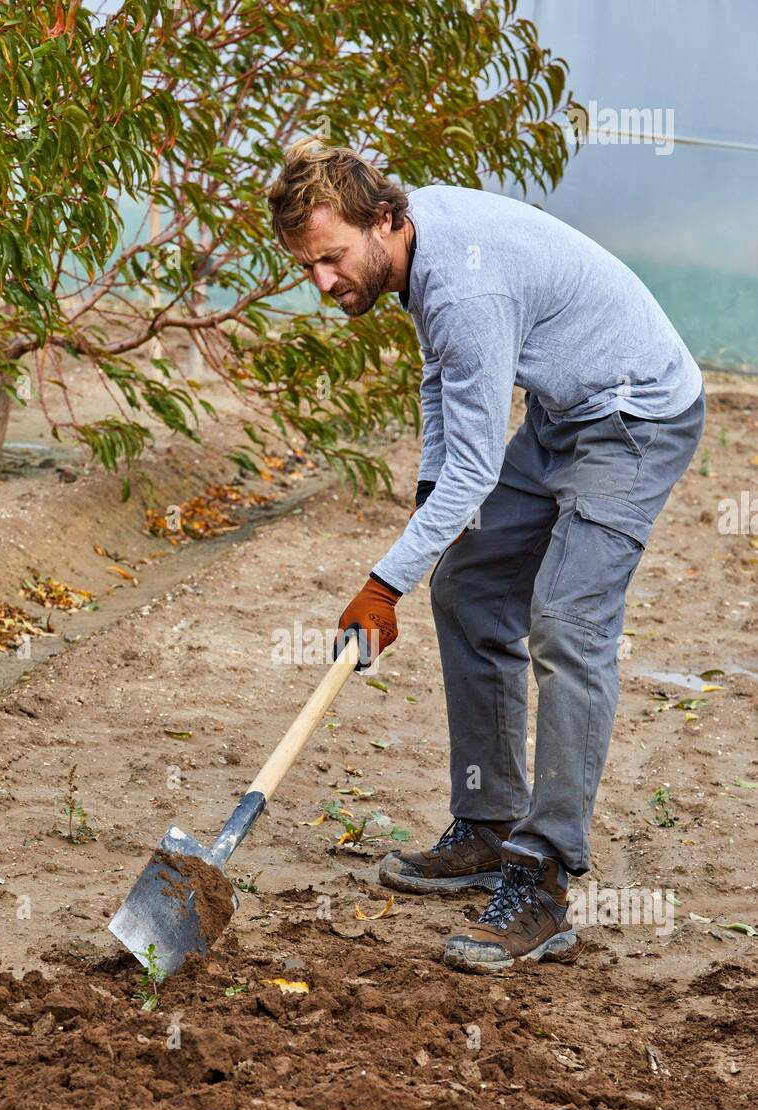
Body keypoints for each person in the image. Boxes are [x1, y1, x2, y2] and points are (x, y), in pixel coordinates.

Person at [266, 139, 705, 975]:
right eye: (306, 267)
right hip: (562, 410)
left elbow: (477, 461)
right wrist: (433, 497)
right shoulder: (417, 247)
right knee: (469, 585)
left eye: (329, 258)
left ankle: (540, 884)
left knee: (567, 626)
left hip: (635, 418)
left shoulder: (463, 282)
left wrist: (383, 583)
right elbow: (446, 381)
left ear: (383, 221)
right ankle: (488, 822)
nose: (322, 283)